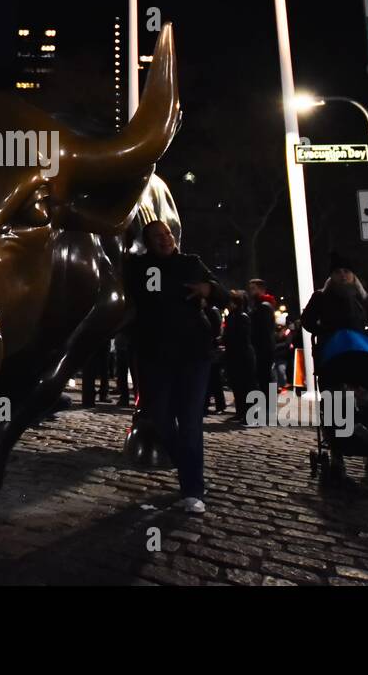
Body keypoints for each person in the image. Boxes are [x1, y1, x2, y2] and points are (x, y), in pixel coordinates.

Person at [123, 219, 223, 513]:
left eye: (167, 233)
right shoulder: (138, 267)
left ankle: (192, 488)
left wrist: (208, 288)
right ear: (148, 242)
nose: (164, 239)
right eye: (157, 236)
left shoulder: (191, 262)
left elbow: (224, 293)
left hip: (193, 354)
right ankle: (190, 469)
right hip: (154, 355)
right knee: (161, 420)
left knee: (190, 421)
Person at [300, 252, 368, 482]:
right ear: (332, 275)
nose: (343, 275)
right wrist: (326, 333)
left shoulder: (363, 298)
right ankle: (337, 453)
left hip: (361, 355)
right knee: (333, 403)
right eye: (338, 272)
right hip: (333, 357)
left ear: (352, 275)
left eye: (346, 272)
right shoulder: (321, 297)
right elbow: (307, 321)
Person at [221, 289, 257, 421]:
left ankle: (249, 414)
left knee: (245, 386)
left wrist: (226, 339)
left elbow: (242, 338)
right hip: (234, 355)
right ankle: (240, 412)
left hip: (242, 356)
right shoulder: (232, 316)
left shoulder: (242, 316)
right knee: (237, 386)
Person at [247, 278, 278, 394]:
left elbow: (263, 331)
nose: (251, 292)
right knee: (263, 378)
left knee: (265, 378)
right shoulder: (260, 305)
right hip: (262, 347)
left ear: (261, 289)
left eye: (253, 289)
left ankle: (269, 406)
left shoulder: (264, 306)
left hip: (263, 348)